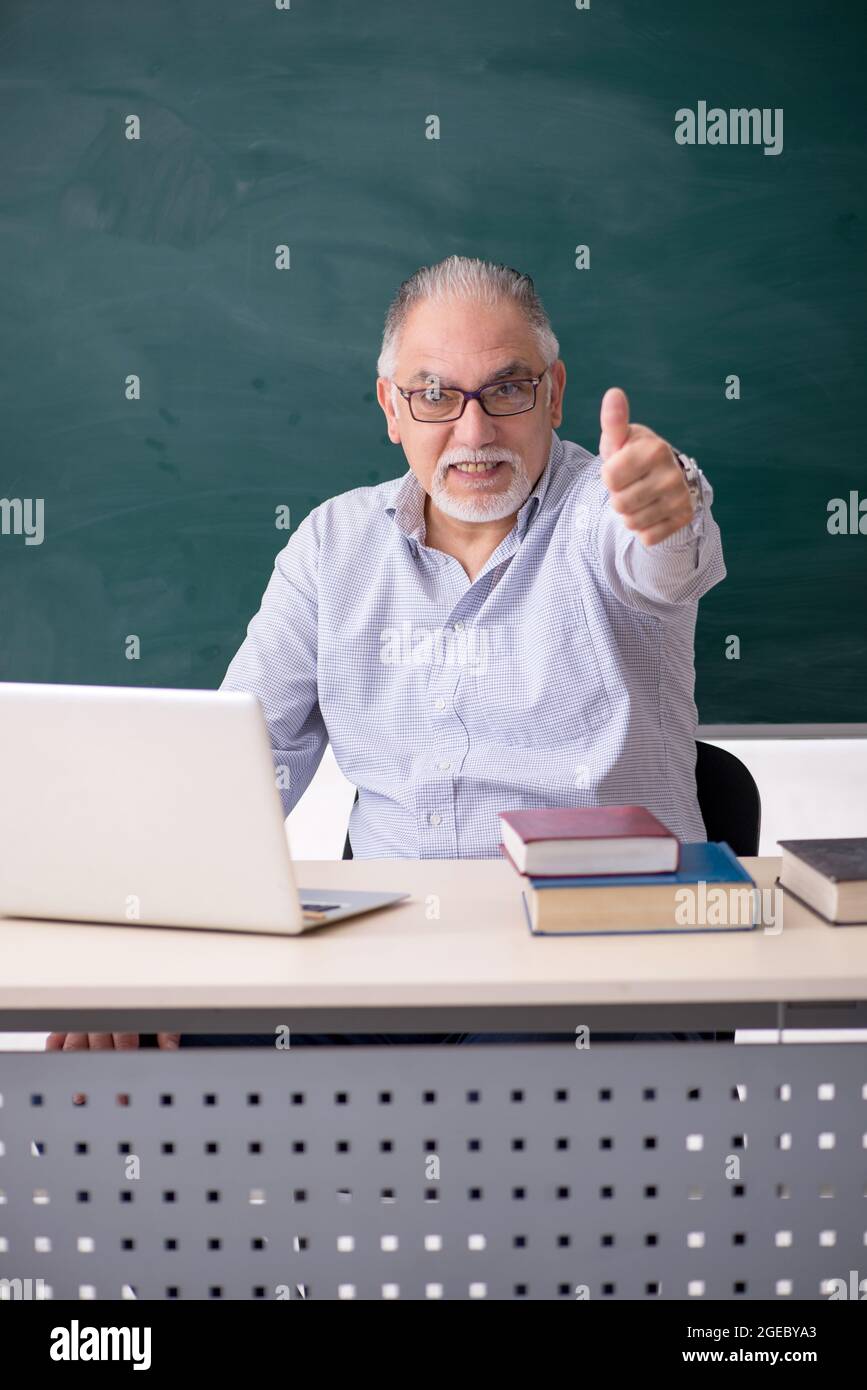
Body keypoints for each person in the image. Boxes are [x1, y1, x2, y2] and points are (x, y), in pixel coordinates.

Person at [48, 254, 725, 1054]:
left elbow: (665, 553)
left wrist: (668, 499)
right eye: (434, 395)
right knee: (156, 1040)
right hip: (384, 965)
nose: (473, 432)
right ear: (390, 408)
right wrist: (142, 937)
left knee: (510, 1098)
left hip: (597, 958)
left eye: (506, 389)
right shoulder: (332, 547)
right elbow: (236, 766)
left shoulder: (608, 513)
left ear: (554, 394)